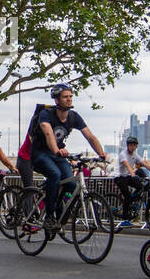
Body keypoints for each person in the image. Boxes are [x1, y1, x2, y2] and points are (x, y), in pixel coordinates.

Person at [31, 83, 109, 228]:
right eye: (65, 97)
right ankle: (49, 216)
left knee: (72, 184)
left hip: (57, 155)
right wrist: (56, 150)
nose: (69, 99)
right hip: (40, 154)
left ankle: (59, 210)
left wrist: (101, 153)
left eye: (71, 96)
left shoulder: (74, 117)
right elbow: (48, 133)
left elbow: (90, 136)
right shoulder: (46, 115)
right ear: (56, 100)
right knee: (54, 174)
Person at [115, 135, 150, 229]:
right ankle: (125, 220)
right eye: (130, 145)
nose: (132, 147)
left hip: (128, 176)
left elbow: (146, 165)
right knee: (127, 196)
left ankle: (132, 202)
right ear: (127, 145)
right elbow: (127, 166)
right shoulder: (123, 154)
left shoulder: (135, 155)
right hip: (119, 177)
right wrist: (134, 175)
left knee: (141, 187)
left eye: (134, 145)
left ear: (136, 146)